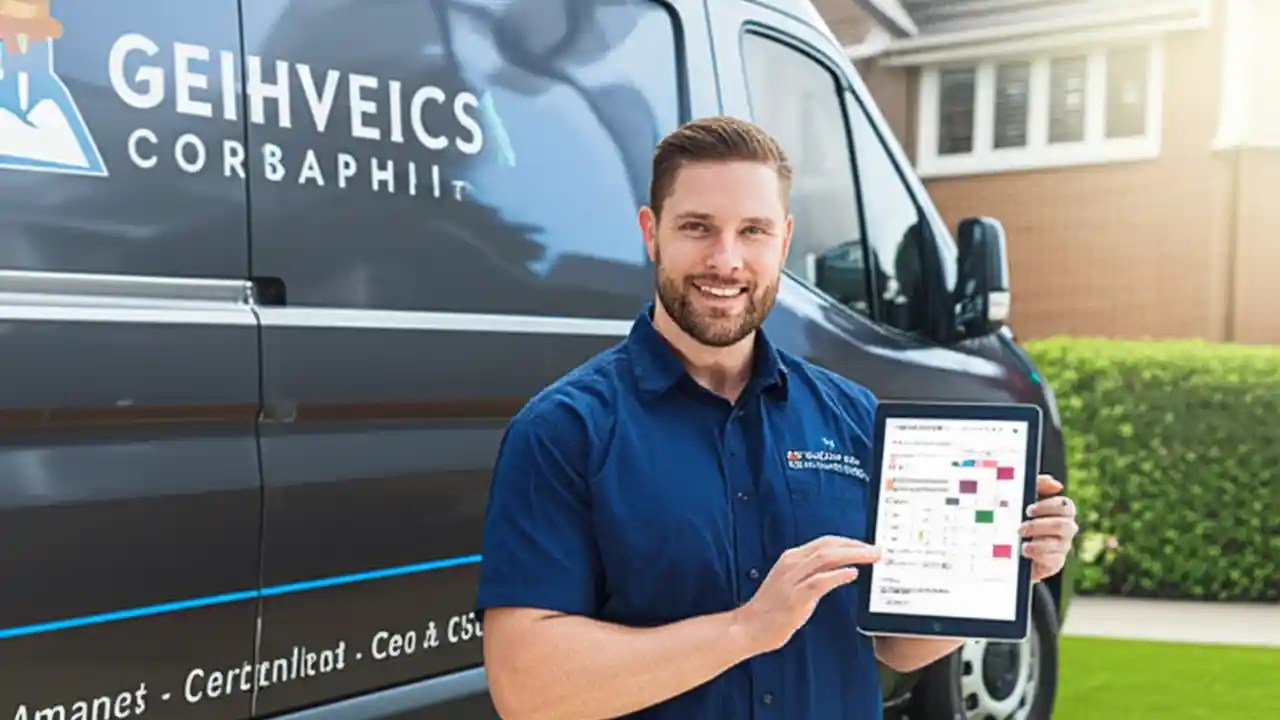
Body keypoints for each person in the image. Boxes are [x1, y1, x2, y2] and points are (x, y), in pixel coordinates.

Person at [475, 116, 1078, 719]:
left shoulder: (853, 417)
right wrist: (746, 629)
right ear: (651, 232)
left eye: (753, 231)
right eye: (697, 228)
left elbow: (898, 646)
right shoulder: (563, 431)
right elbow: (530, 691)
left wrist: (1003, 570)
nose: (726, 260)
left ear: (784, 242)